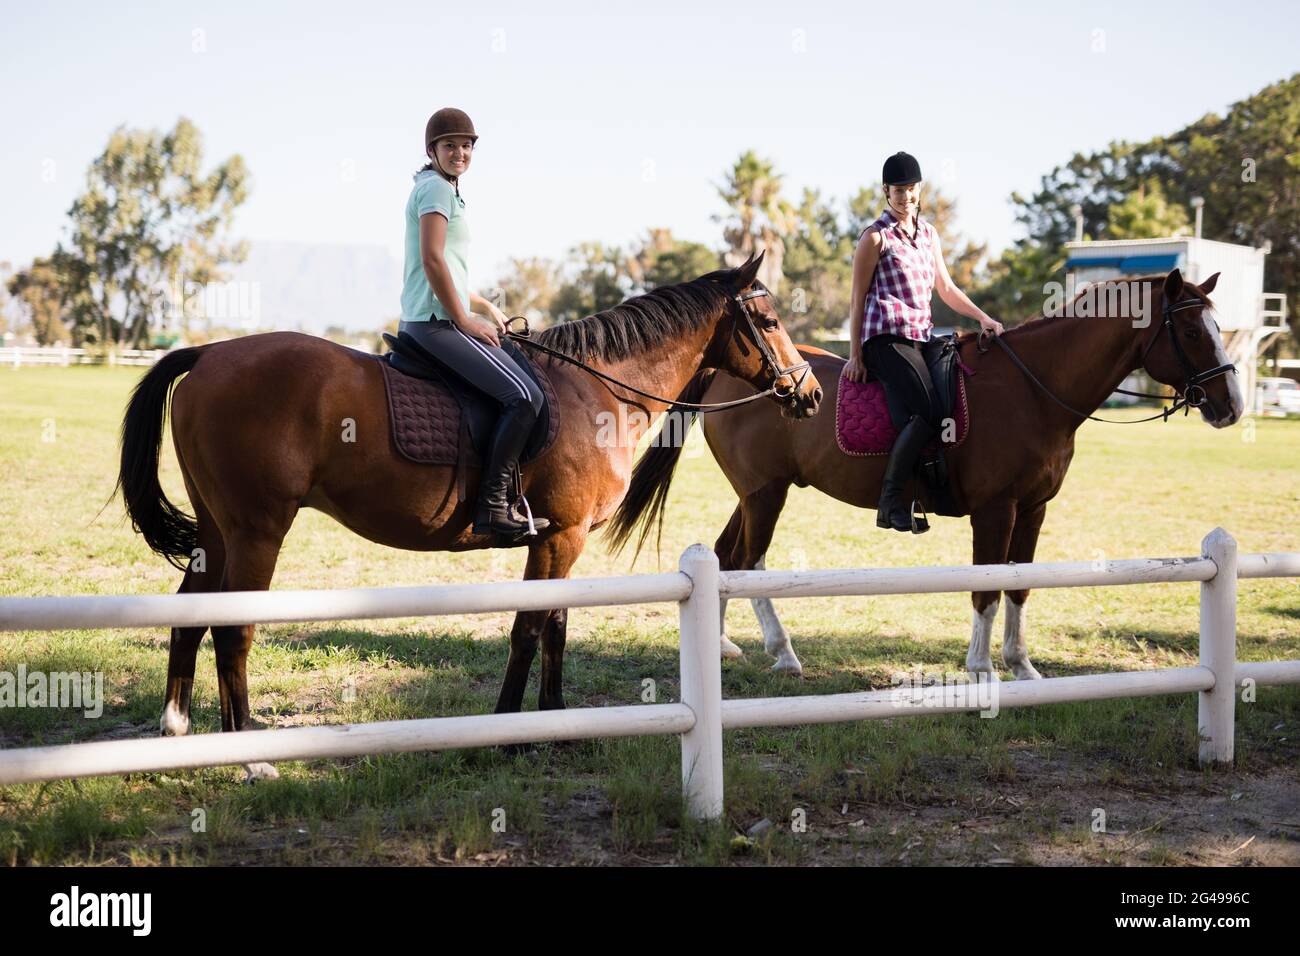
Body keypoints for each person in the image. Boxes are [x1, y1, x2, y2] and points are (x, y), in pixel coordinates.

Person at [399, 107, 549, 539]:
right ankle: (493, 508)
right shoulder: (436, 191)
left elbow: (449, 267)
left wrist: (484, 305)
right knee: (524, 396)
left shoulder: (442, 189)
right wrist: (464, 319)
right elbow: (431, 259)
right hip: (434, 324)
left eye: (466, 145)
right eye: (450, 146)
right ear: (432, 151)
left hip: (439, 315)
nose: (460, 152)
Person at [843, 151, 1004, 532]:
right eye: (899, 190)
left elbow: (945, 288)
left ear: (919, 190)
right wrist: (855, 354)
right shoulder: (875, 238)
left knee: (951, 395)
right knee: (928, 410)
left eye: (911, 189)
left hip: (922, 336)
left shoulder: (928, 234)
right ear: (886, 191)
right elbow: (857, 297)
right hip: (885, 338)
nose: (906, 196)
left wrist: (982, 317)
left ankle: (935, 485)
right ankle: (890, 500)